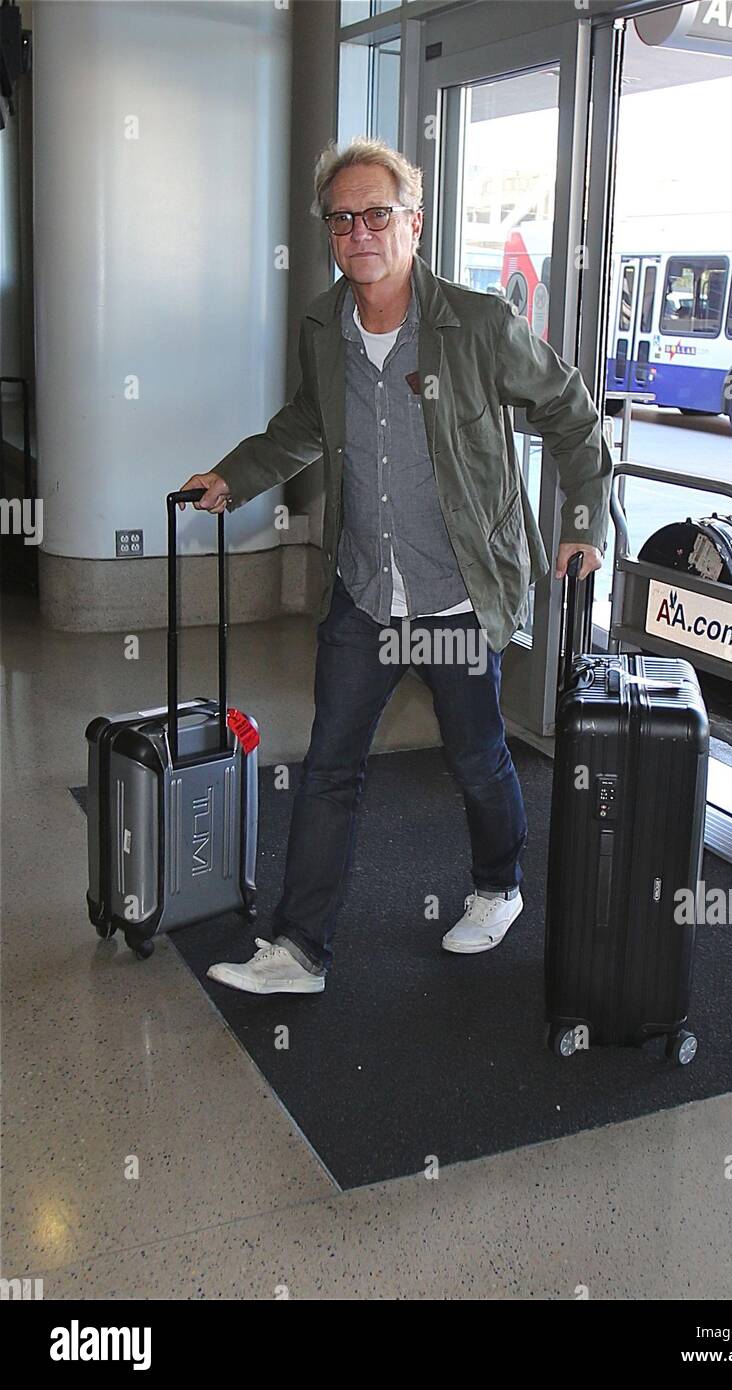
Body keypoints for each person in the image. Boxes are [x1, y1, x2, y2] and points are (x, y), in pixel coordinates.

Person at [178, 136, 612, 995]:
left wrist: (579, 516)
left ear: (415, 221)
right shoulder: (324, 327)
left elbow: (569, 406)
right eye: (342, 219)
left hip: (454, 599)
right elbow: (305, 423)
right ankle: (300, 950)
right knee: (329, 766)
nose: (359, 231)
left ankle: (498, 886)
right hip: (366, 594)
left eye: (377, 213)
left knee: (476, 758)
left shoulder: (477, 325)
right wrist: (235, 475)